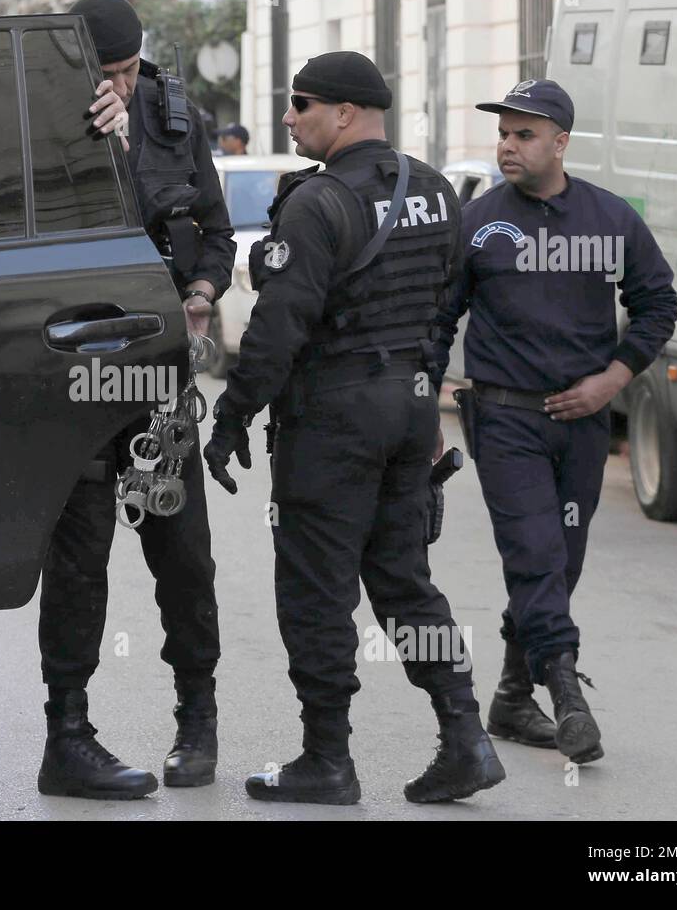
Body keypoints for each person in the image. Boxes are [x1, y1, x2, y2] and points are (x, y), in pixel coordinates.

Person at [203, 51, 505, 805]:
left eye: (299, 104)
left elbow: (277, 328)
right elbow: (442, 308)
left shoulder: (317, 204)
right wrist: (424, 398)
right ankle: (465, 737)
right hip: (406, 411)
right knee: (405, 582)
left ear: (344, 113)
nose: (287, 117)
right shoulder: (435, 189)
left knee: (316, 591)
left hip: (333, 416)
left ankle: (326, 761)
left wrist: (233, 415)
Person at [433, 80, 677, 764]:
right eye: (504, 134)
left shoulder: (611, 220)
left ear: (561, 142)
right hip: (504, 417)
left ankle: (512, 697)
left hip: (584, 425)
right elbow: (437, 319)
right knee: (536, 552)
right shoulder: (477, 222)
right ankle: (568, 696)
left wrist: (615, 379)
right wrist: (423, 405)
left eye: (524, 135)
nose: (508, 146)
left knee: (560, 563)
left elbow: (658, 303)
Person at [35, 0, 236, 800]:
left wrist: (203, 285)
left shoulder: (172, 116)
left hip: (155, 378)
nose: (115, 85)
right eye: (102, 72)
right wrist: (99, 147)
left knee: (181, 553)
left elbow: (214, 231)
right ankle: (68, 736)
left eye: (124, 70)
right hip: (76, 377)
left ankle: (198, 717)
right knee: (78, 559)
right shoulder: (43, 114)